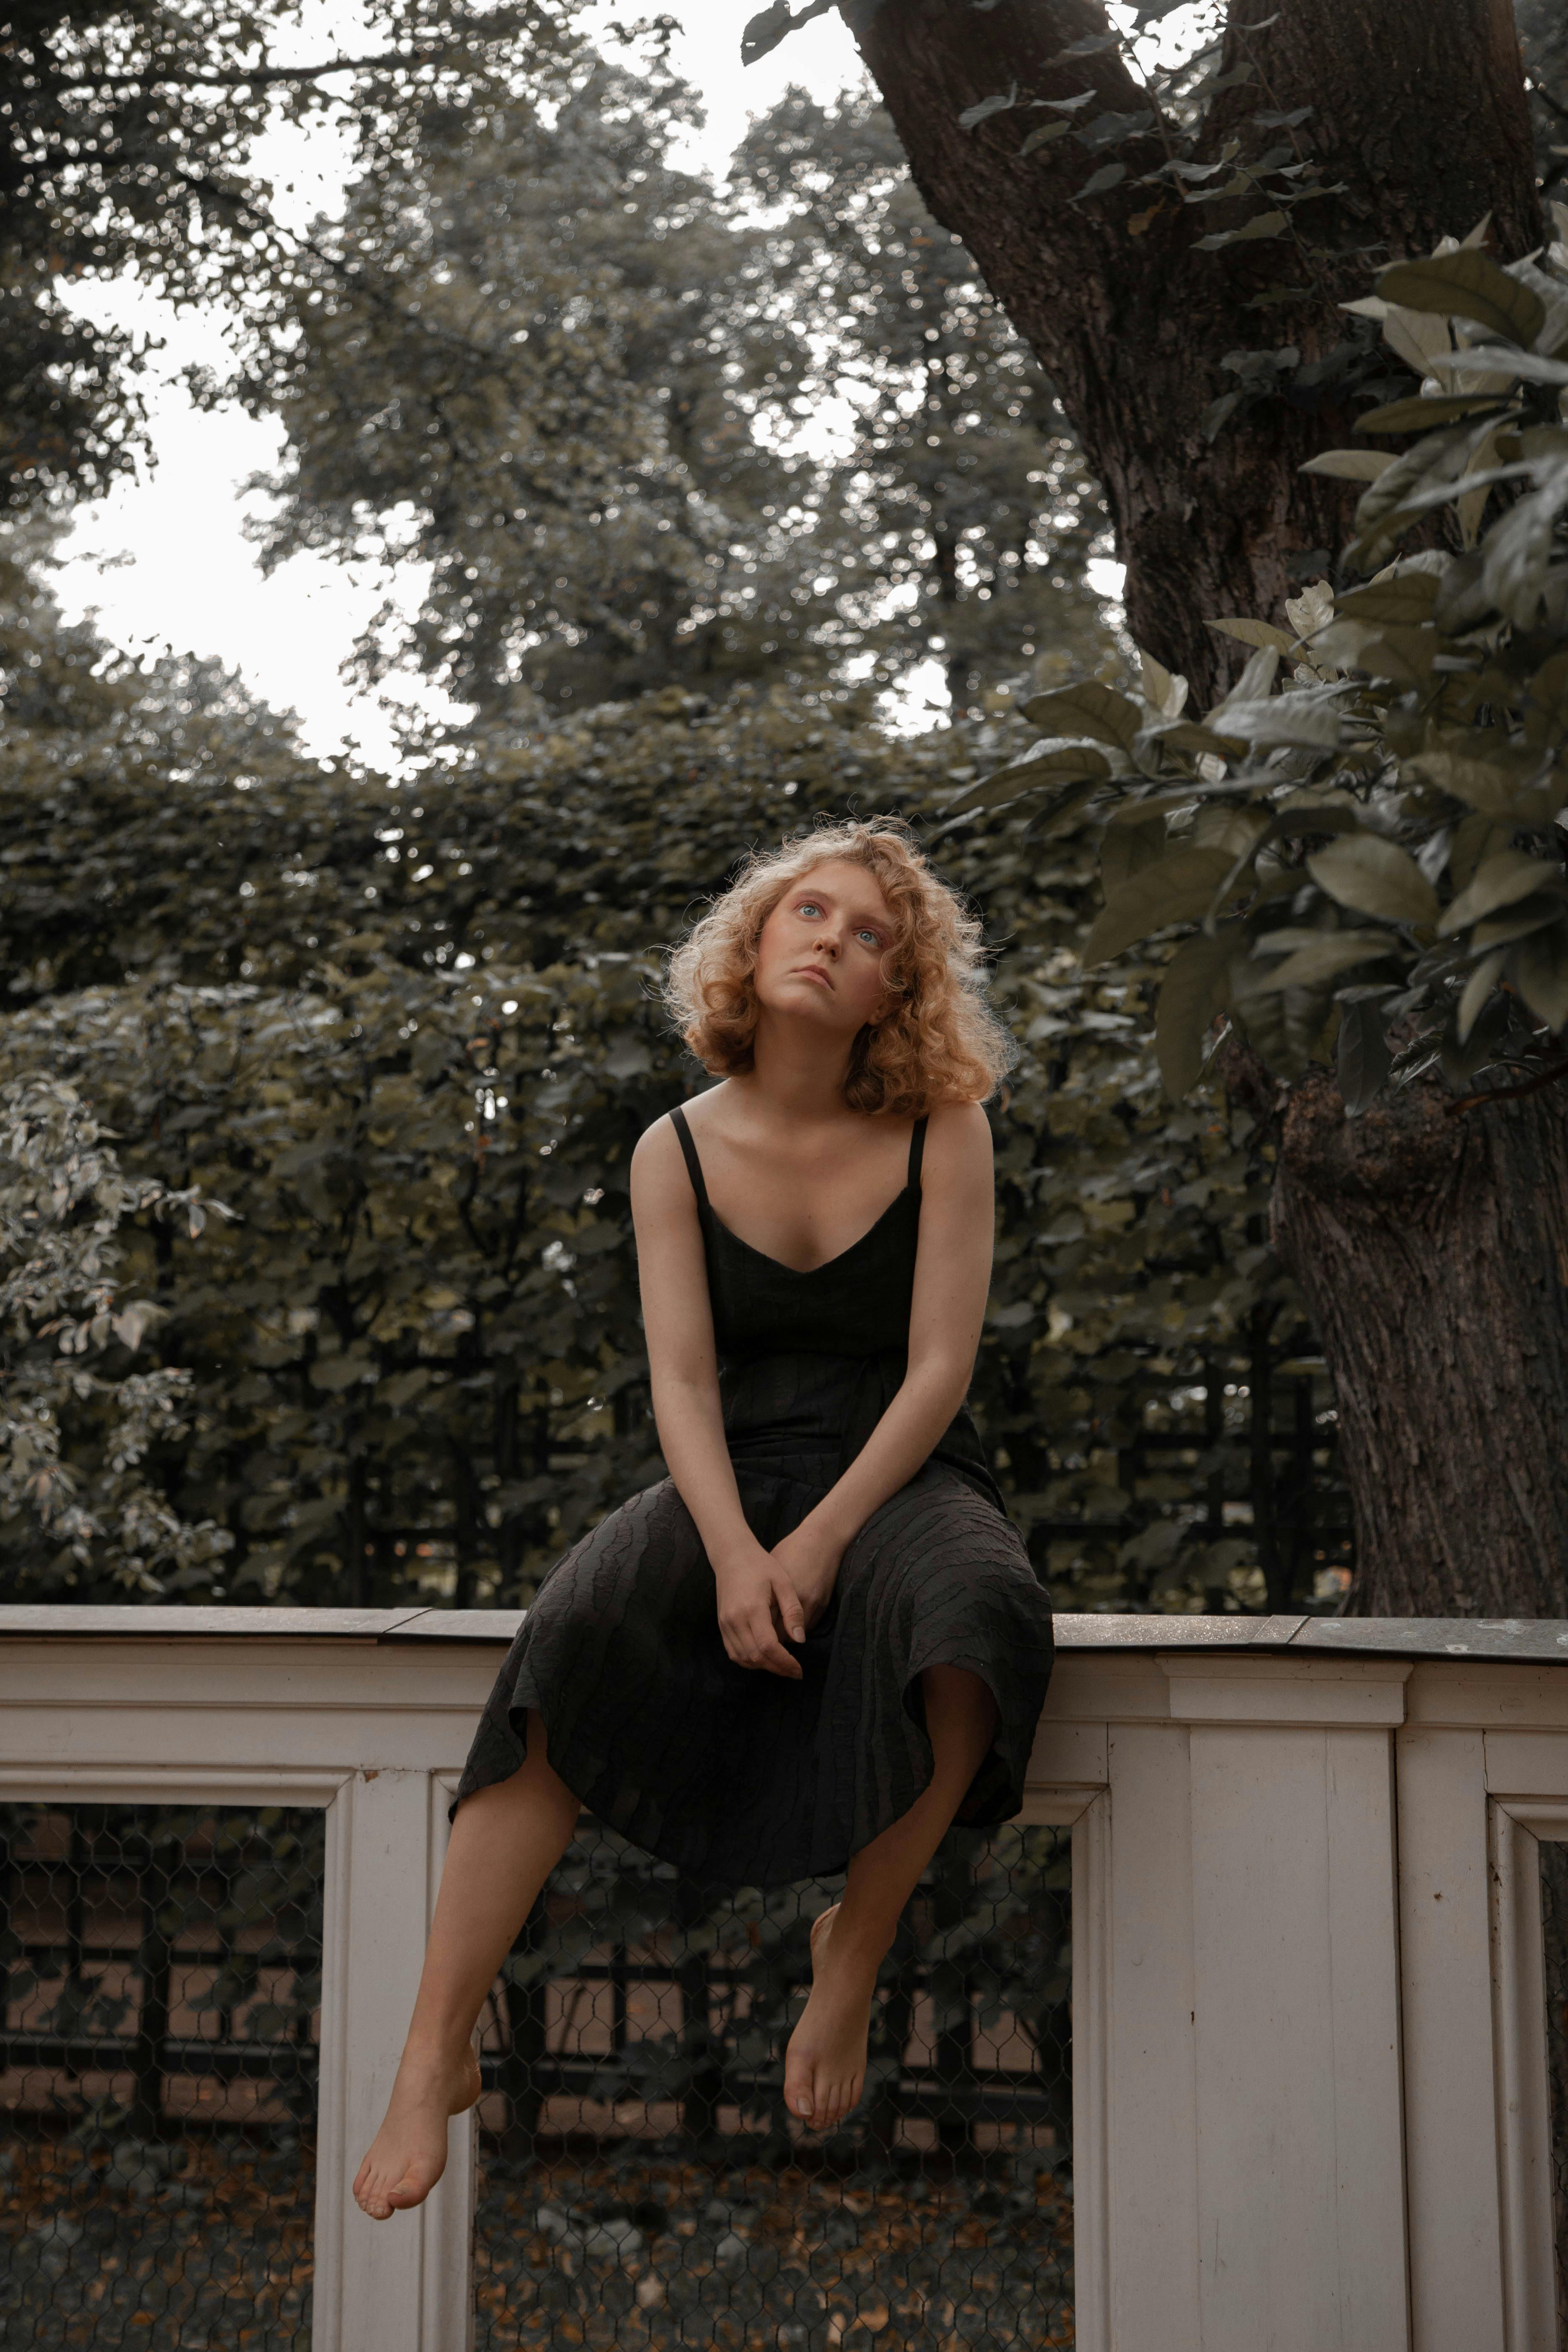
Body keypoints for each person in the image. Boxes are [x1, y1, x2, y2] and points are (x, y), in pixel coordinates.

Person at [352, 819, 1055, 2222]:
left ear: (891, 994)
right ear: (756, 938)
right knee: (576, 1631)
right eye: (810, 911)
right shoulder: (670, 1146)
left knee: (977, 1619)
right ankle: (432, 2049)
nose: (832, 943)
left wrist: (822, 1541)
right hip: (730, 1469)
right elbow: (678, 1379)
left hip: (900, 1472)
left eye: (871, 940)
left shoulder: (945, 1127)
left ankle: (852, 1949)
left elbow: (939, 1372)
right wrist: (736, 1549)